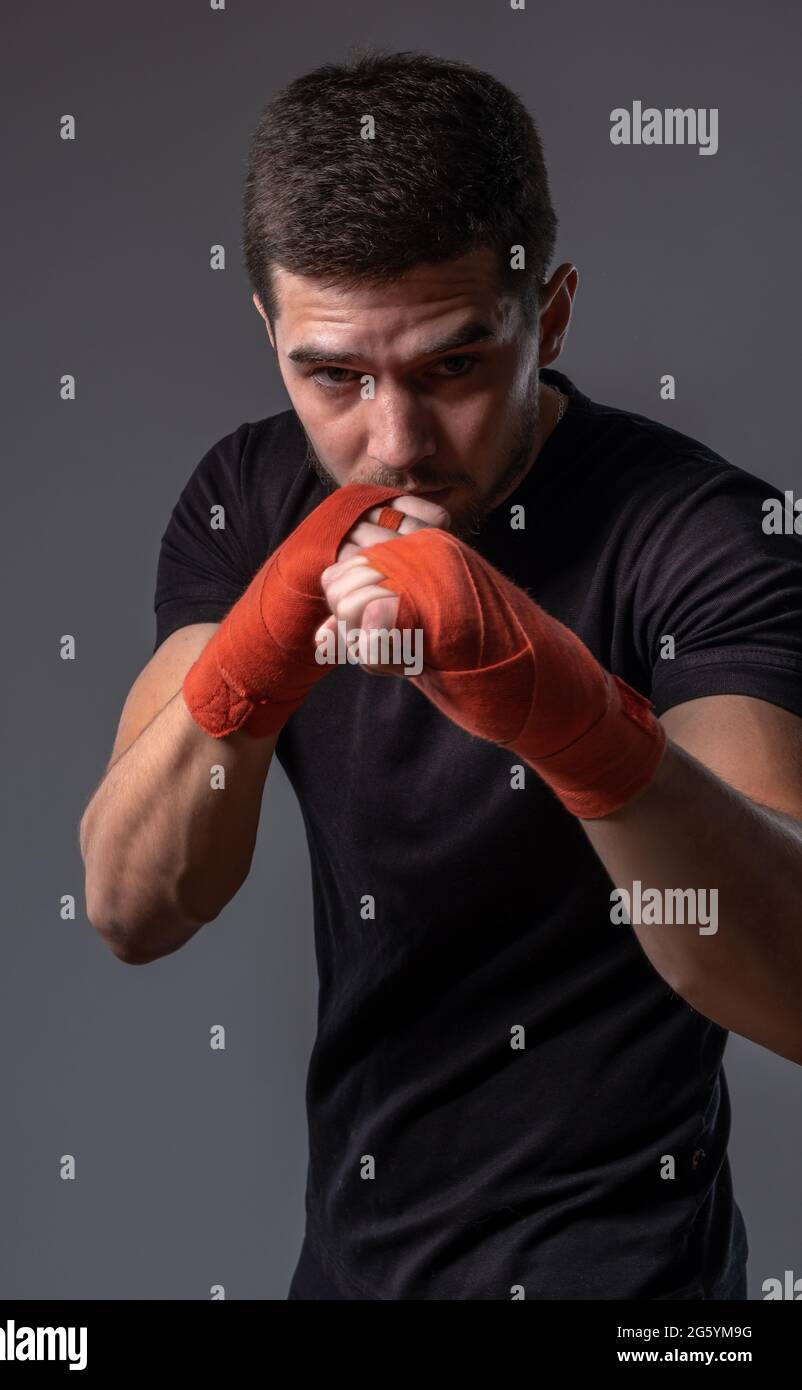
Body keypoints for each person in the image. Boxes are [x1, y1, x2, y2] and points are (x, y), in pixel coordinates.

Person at [79, 50, 802, 1300]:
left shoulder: (699, 534)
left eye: (453, 367)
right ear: (268, 330)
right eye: (333, 376)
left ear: (550, 314)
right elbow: (133, 905)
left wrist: (568, 715)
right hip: (352, 1272)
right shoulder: (250, 499)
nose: (394, 442)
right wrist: (254, 655)